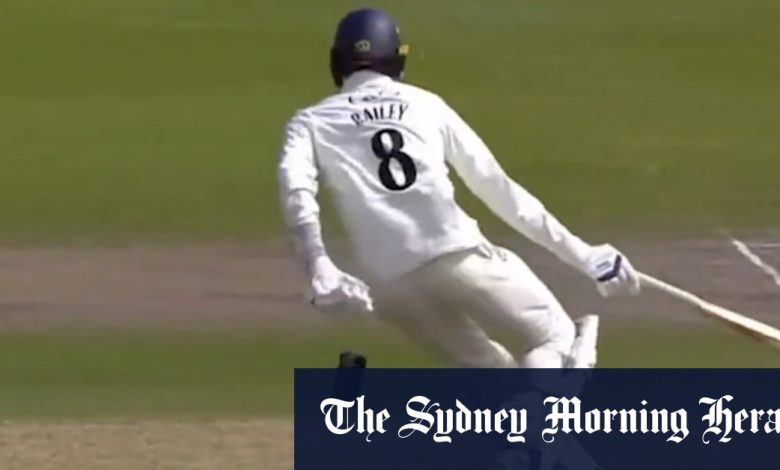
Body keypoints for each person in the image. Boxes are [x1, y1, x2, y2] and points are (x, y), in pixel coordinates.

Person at [277, 8, 640, 369]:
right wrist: (583, 255)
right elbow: (498, 189)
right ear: (398, 59)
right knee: (557, 338)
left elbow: (297, 192)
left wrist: (318, 263)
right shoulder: (426, 105)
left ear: (336, 61)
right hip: (457, 254)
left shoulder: (310, 121)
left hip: (391, 285)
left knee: (494, 380)